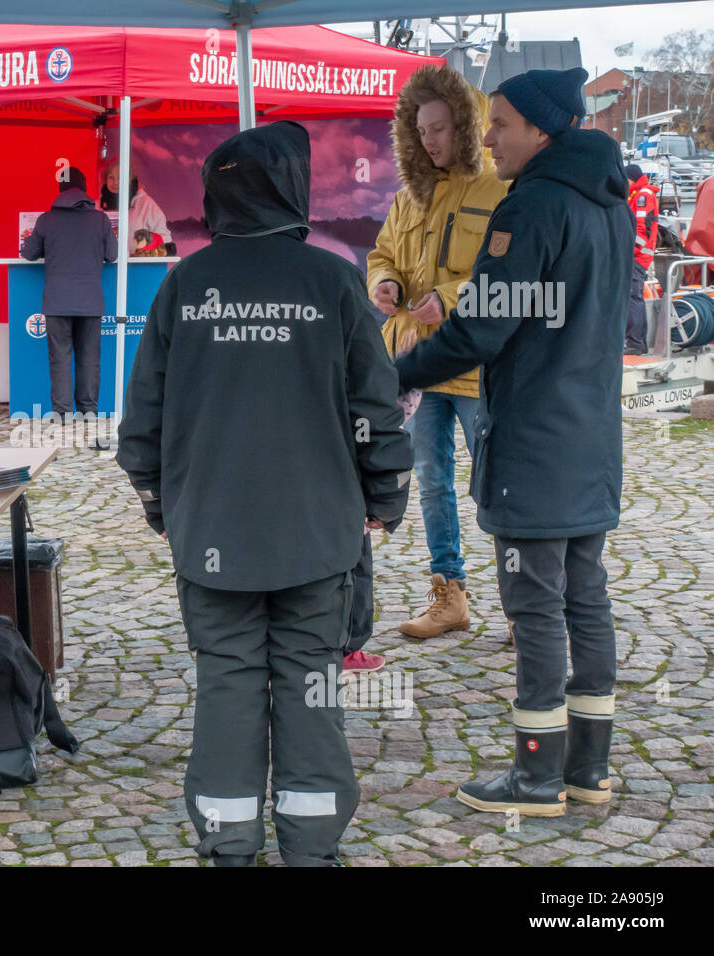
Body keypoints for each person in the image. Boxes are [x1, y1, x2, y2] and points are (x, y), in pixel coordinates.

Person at [118, 121, 414, 866]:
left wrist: (159, 503)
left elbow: (142, 416)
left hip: (211, 531)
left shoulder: (184, 283)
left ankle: (229, 841)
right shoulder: (332, 279)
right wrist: (387, 498)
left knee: (227, 687)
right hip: (317, 532)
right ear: (290, 189)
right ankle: (312, 848)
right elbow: (376, 409)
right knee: (311, 685)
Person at [395, 67, 631, 817]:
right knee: (585, 600)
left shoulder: (530, 209)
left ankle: (535, 778)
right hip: (591, 440)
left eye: (499, 125)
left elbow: (479, 329)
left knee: (534, 608)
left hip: (533, 442)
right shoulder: (609, 206)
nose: (487, 138)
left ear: (541, 129)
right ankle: (587, 769)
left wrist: (390, 376)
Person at [367, 65, 508, 642]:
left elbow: (505, 275)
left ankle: (523, 600)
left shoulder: (501, 190)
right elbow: (382, 255)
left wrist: (448, 299)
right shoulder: (407, 197)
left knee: (498, 483)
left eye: (441, 128)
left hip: (476, 367)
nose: (429, 140)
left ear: (467, 127)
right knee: (431, 481)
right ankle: (449, 594)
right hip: (418, 369)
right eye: (421, 129)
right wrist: (384, 284)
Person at [19, 166, 117, 422]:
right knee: (89, 357)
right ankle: (89, 411)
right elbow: (113, 255)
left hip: (57, 301)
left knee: (60, 357)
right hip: (90, 300)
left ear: (60, 190)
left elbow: (28, 254)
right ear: (84, 189)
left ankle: (62, 413)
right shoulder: (100, 220)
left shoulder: (46, 220)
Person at [623, 163, 658, 355]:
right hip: (639, 255)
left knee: (632, 297)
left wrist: (630, 251)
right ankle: (636, 341)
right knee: (633, 297)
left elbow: (641, 229)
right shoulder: (638, 194)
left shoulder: (642, 196)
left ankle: (635, 343)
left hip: (637, 257)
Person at [101, 161, 170, 255]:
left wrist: (144, 252)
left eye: (120, 177)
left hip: (141, 267)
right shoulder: (98, 205)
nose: (115, 182)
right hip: (107, 267)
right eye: (111, 177)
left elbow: (164, 238)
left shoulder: (146, 204)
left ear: (130, 179)